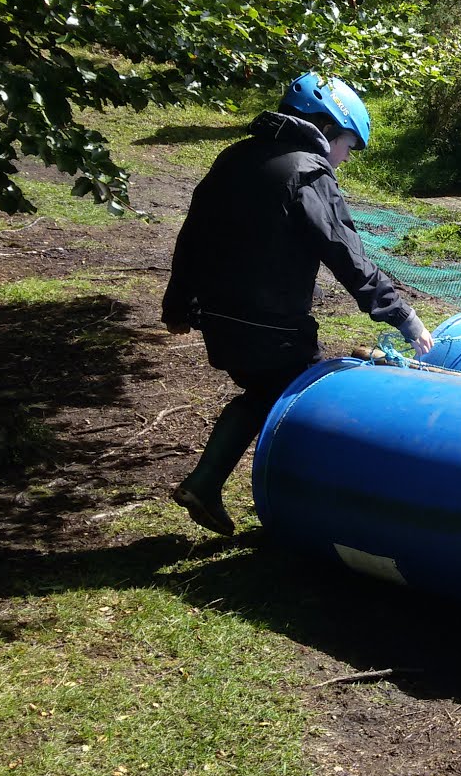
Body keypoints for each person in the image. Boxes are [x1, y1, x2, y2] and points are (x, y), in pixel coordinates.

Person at [161, 71, 434, 536]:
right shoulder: (307, 172)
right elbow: (346, 255)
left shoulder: (235, 156)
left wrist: (177, 302)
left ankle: (205, 483)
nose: (345, 158)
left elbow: (193, 234)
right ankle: (312, 505)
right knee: (307, 400)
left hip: (217, 313)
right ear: (326, 129)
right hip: (270, 322)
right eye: (348, 145)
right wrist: (402, 315)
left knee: (263, 392)